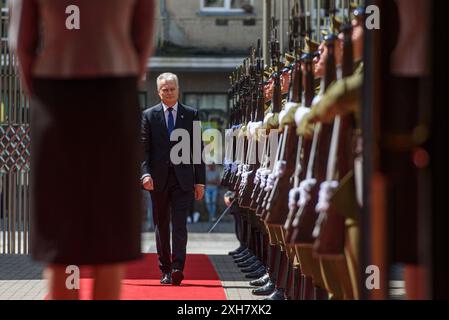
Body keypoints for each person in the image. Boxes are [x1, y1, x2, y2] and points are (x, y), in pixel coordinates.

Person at [9, 0, 155, 300]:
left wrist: (45, 97)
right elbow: (142, 39)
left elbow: (22, 44)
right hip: (114, 90)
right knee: (111, 229)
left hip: (57, 93)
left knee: (61, 229)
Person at [141, 72, 205, 286]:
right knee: (161, 225)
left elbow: (198, 149)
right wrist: (145, 174)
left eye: (172, 88)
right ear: (158, 91)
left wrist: (200, 181)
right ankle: (165, 270)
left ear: (178, 89)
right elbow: (143, 150)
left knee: (179, 225)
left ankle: (178, 267)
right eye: (164, 89)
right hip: (157, 181)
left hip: (183, 180)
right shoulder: (149, 116)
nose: (168, 92)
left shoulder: (191, 114)